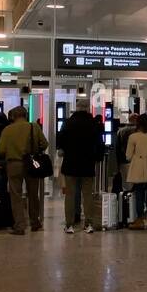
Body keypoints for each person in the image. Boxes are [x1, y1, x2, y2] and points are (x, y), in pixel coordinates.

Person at [0, 106, 48, 235]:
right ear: (25, 115)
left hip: (14, 164)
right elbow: (45, 144)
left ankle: (20, 225)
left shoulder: (8, 129)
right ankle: (35, 222)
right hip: (32, 164)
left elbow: (0, 149)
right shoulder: (34, 127)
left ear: (13, 116)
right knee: (33, 194)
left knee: (16, 195)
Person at [57, 99, 105, 234]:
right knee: (87, 194)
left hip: (70, 164)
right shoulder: (93, 124)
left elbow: (61, 141)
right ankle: (88, 223)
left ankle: (69, 224)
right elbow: (99, 144)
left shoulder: (68, 123)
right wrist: (97, 158)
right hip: (87, 164)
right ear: (88, 109)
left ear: (76, 108)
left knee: (70, 195)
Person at [116, 114, 138, 191]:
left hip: (124, 160)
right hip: (137, 160)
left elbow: (117, 149)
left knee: (126, 183)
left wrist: (118, 164)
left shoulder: (120, 131)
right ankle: (135, 201)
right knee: (137, 183)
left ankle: (127, 201)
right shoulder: (139, 131)